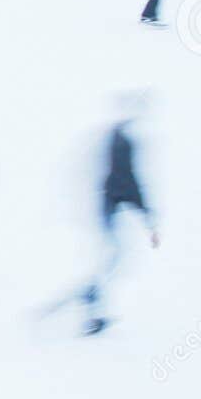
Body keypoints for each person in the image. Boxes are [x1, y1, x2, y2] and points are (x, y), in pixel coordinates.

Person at [75, 104, 160, 336]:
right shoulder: (122, 144)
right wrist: (147, 216)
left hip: (107, 203)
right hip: (111, 203)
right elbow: (128, 181)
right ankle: (93, 300)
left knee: (114, 256)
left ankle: (94, 298)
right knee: (115, 257)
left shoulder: (114, 140)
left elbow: (122, 180)